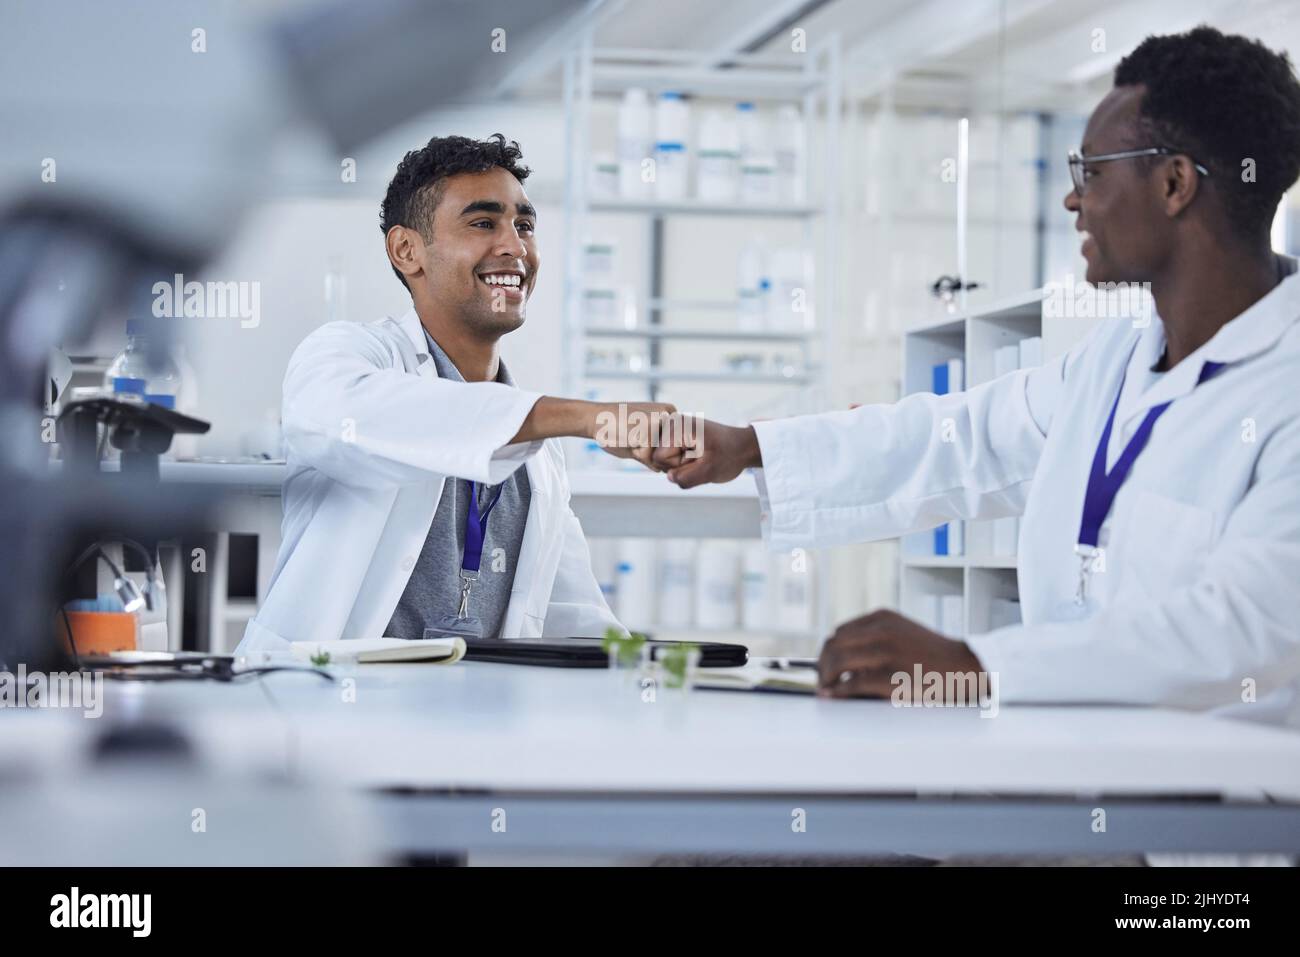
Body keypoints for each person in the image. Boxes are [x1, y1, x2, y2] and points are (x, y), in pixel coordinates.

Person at [653, 27, 1300, 722]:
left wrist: (976, 664)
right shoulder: (1114, 361)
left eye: (1093, 172)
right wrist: (750, 446)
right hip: (1070, 781)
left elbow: (1244, 629)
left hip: (1218, 816)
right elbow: (955, 437)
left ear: (1173, 183)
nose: (1072, 200)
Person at [238, 134, 671, 653]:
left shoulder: (538, 453)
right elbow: (352, 418)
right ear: (406, 250)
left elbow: (570, 614)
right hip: (332, 705)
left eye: (525, 226)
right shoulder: (345, 356)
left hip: (477, 720)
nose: (515, 246)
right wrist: (584, 417)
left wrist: (649, 674)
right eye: (483, 223)